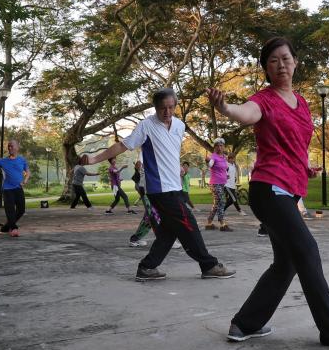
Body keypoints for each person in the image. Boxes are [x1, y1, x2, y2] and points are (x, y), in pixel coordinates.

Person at [209, 36, 329, 347]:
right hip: (269, 189)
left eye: (285, 58)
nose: (281, 64)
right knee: (308, 251)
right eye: (273, 61)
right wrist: (225, 107)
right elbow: (246, 114)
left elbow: (296, 145)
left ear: (295, 62)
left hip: (287, 189)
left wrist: (305, 167)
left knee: (286, 263)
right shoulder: (264, 100)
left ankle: (244, 324)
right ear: (267, 69)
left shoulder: (303, 103)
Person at [81, 88, 234, 281]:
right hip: (160, 190)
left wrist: (176, 166)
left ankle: (147, 267)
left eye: (171, 107)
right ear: (155, 108)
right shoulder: (146, 126)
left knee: (168, 233)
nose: (167, 112)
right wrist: (95, 159)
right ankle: (209, 265)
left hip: (175, 187)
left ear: (176, 106)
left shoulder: (179, 125)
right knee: (189, 225)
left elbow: (170, 150)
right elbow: (122, 145)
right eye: (162, 108)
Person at [129, 160, 180, 249]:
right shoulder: (146, 153)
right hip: (147, 189)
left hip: (152, 189)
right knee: (155, 215)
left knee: (149, 217)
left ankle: (135, 238)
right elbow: (140, 170)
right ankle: (166, 240)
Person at [205, 138, 231, 231]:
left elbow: (225, 168)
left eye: (221, 145)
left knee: (216, 204)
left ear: (224, 147)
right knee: (222, 201)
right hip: (215, 184)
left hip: (222, 183)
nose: (220, 147)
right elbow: (210, 165)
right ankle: (222, 223)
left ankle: (209, 223)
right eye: (217, 146)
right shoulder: (213, 156)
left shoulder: (224, 157)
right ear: (215, 147)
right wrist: (208, 161)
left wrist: (227, 175)